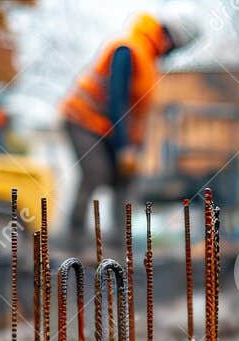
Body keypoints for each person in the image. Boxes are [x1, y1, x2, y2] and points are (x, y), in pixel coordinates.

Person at [60, 6, 201, 239]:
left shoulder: (148, 62)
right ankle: (73, 241)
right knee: (96, 172)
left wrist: (135, 148)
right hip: (82, 119)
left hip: (107, 128)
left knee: (125, 179)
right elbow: (117, 100)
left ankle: (118, 246)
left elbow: (136, 113)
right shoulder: (128, 50)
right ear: (167, 38)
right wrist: (124, 147)